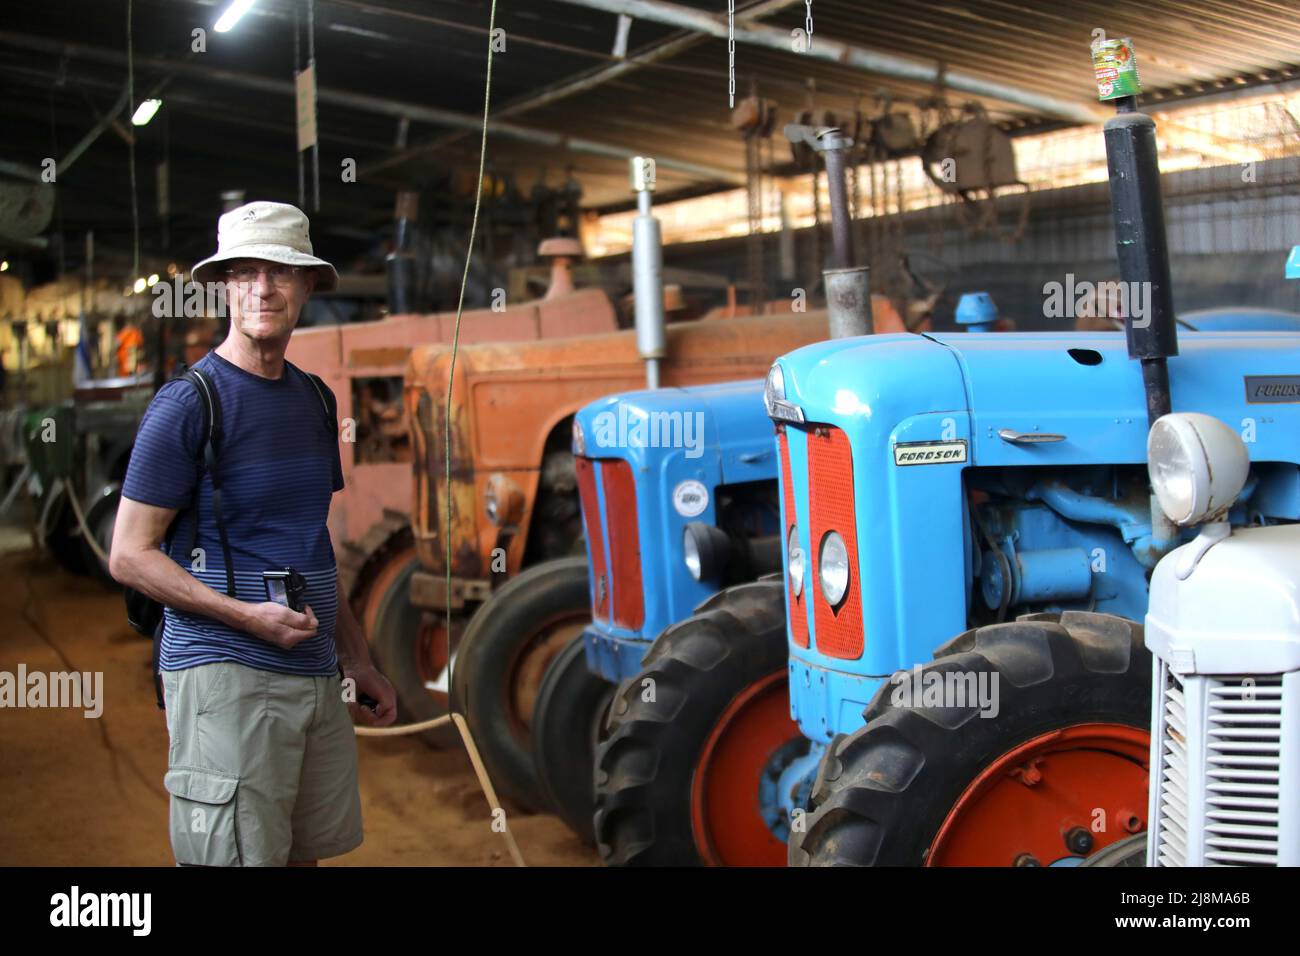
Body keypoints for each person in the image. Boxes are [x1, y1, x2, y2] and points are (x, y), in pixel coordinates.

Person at [109, 201, 398, 867]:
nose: (262, 289)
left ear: (309, 286)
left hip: (316, 676)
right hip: (227, 678)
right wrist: (246, 617)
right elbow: (128, 554)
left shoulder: (316, 400)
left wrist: (354, 659)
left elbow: (310, 542)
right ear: (222, 287)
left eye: (281, 272)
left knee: (301, 857)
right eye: (243, 274)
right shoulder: (190, 404)